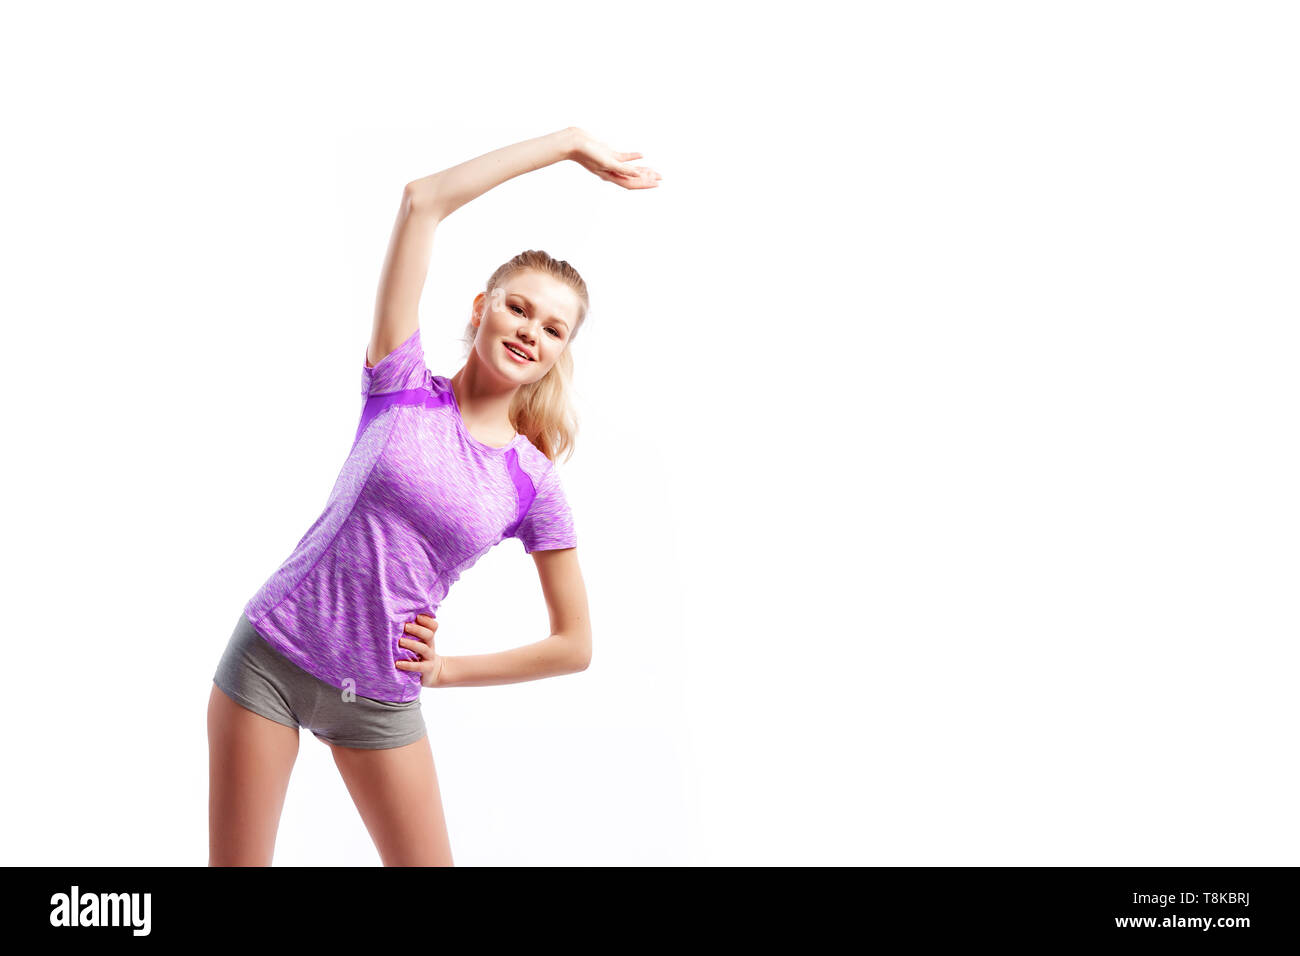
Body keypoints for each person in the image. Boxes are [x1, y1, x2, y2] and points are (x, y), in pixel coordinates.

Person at [207, 126, 662, 866]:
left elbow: (575, 645)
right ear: (483, 306)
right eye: (519, 309)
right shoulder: (401, 383)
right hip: (270, 659)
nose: (530, 333)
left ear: (559, 354)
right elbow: (421, 201)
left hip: (379, 701)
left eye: (553, 329)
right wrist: (570, 144)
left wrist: (447, 671)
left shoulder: (533, 481)